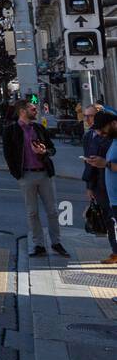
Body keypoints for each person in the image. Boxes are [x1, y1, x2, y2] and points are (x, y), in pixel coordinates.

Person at [3, 99, 69, 258]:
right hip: (26, 175)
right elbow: (8, 155)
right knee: (32, 212)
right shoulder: (11, 131)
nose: (36, 111)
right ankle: (39, 244)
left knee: (52, 211)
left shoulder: (39, 128)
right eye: (32, 109)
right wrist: (17, 175)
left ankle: (56, 242)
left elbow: (52, 149)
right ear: (22, 111)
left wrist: (45, 151)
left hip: (44, 174)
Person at [82, 106, 117, 264]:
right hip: (110, 193)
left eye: (103, 130)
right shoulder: (112, 139)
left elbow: (109, 164)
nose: (102, 134)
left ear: (113, 124)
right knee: (111, 223)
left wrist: (106, 164)